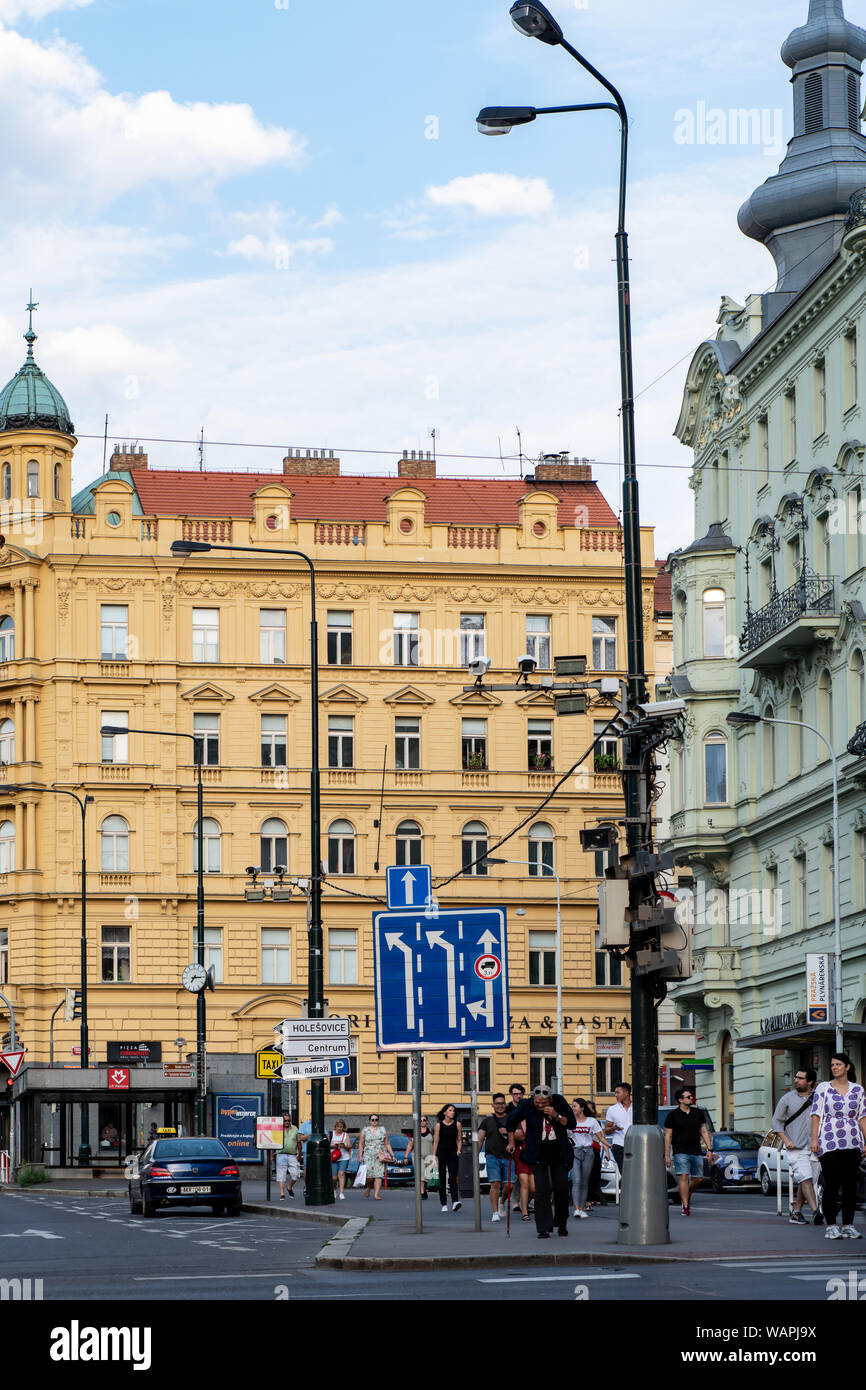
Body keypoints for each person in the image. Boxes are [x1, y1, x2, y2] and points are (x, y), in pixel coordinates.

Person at [507, 1083, 576, 1239]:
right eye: (537, 1102)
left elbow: (572, 1123)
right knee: (541, 1189)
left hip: (557, 1148)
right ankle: (543, 1228)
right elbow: (510, 1121)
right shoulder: (527, 1104)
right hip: (538, 1150)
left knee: (562, 1187)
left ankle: (561, 1222)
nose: (539, 1105)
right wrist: (511, 1142)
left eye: (543, 1103)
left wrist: (556, 1115)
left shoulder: (559, 1101)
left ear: (550, 1100)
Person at [811, 1052, 866, 1240]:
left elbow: (862, 1117)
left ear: (847, 1067)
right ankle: (832, 1225)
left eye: (838, 1064)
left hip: (853, 1140)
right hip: (829, 1140)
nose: (834, 1067)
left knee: (850, 1185)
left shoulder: (858, 1089)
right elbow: (816, 1115)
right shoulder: (823, 1088)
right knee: (832, 1183)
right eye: (832, 1064)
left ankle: (848, 1225)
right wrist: (814, 1140)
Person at [772, 1067, 822, 1226]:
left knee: (805, 1179)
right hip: (795, 1148)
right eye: (796, 1077)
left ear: (810, 1082)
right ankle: (816, 1211)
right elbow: (776, 1122)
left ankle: (796, 1212)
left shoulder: (818, 1098)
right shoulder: (786, 1098)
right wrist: (786, 1140)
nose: (796, 1080)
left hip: (814, 1147)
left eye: (800, 1078)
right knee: (806, 1178)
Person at [664, 1087, 714, 1216]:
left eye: (691, 1096)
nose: (691, 1098)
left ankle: (687, 1193)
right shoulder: (672, 1116)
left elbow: (704, 1131)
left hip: (696, 1150)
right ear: (680, 1100)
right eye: (688, 1097)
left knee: (698, 1179)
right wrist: (667, 1155)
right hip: (680, 1150)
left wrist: (709, 1149)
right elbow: (668, 1136)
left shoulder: (698, 1113)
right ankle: (685, 1206)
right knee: (684, 1176)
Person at [569, 1097, 611, 1219]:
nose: (573, 1108)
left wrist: (608, 1145)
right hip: (575, 1151)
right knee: (576, 1180)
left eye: (575, 1106)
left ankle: (582, 1208)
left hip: (588, 1152)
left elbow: (600, 1137)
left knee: (584, 1181)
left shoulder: (591, 1121)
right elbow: (565, 1135)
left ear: (582, 1108)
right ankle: (576, 1208)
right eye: (572, 1106)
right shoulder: (570, 1121)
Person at [478, 1093, 511, 1222]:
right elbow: (480, 1139)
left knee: (509, 1185)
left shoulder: (510, 1119)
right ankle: (495, 1212)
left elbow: (519, 1134)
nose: (500, 1106)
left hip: (508, 1156)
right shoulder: (487, 1121)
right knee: (495, 1183)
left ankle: (502, 1200)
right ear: (493, 1105)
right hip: (492, 1156)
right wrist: (476, 1155)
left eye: (502, 1103)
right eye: (497, 1104)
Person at [433, 1103, 463, 1212]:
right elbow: (436, 1141)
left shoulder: (457, 1124)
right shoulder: (439, 1125)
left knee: (453, 1178)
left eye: (454, 1110)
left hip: (453, 1154)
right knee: (442, 1179)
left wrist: (458, 1150)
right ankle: (444, 1204)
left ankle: (455, 1202)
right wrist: (433, 1157)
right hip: (441, 1153)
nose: (453, 1112)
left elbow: (459, 1140)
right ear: (445, 1112)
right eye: (450, 1110)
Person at [358, 1113, 394, 1201]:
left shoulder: (383, 1130)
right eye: (373, 1120)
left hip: (380, 1155)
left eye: (376, 1119)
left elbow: (387, 1143)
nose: (374, 1121)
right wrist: (360, 1155)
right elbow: (361, 1144)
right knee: (369, 1176)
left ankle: (376, 1194)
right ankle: (369, 1187)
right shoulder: (365, 1130)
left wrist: (392, 1155)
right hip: (368, 1155)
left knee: (378, 1175)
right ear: (370, 1121)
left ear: (378, 1121)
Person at [604, 1082, 633, 1173]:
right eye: (615, 1093)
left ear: (626, 1093)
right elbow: (607, 1130)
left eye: (618, 1092)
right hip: (619, 1145)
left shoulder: (637, 1107)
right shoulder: (612, 1109)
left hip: (635, 1144)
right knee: (624, 1172)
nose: (616, 1095)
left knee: (635, 1172)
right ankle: (625, 1187)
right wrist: (614, 1128)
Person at [405, 1115, 435, 1199]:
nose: (422, 1122)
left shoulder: (431, 1131)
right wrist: (406, 1157)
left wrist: (435, 1156)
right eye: (420, 1120)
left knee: (427, 1176)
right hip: (418, 1157)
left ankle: (424, 1190)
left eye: (424, 1120)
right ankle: (422, 1193)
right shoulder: (415, 1132)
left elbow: (435, 1144)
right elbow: (410, 1145)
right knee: (421, 1173)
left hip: (429, 1157)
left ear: (427, 1122)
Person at [276, 1112, 301, 1200]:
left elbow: (298, 1142)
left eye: (288, 1120)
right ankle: (282, 1194)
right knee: (281, 1175)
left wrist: (300, 1154)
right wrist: (272, 1155)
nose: (287, 1122)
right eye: (285, 1120)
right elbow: (272, 1143)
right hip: (280, 1154)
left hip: (292, 1155)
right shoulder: (278, 1129)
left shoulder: (295, 1129)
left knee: (295, 1174)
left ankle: (289, 1187)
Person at [329, 1118, 353, 1200]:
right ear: (335, 1127)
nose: (340, 1128)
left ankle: (342, 1193)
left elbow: (349, 1146)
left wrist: (344, 1146)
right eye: (338, 1127)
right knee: (334, 1178)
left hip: (344, 1157)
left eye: (341, 1127)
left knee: (341, 1173)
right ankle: (334, 1190)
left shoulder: (345, 1135)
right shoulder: (331, 1134)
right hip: (333, 1157)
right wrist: (334, 1146)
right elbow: (326, 1145)